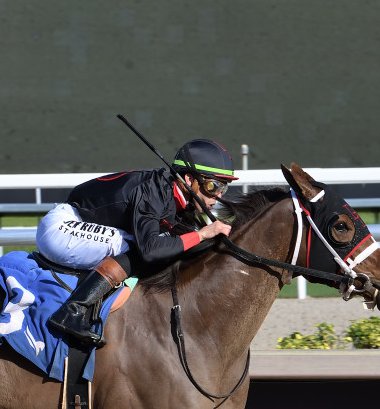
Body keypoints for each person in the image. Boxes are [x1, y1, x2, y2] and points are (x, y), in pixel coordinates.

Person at [39, 138, 237, 348]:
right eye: (212, 185)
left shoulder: (177, 197)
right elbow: (150, 250)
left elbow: (179, 246)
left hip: (82, 226)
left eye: (223, 188)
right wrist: (202, 235)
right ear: (189, 179)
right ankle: (72, 311)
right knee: (139, 249)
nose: (217, 196)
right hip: (62, 228)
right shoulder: (153, 193)